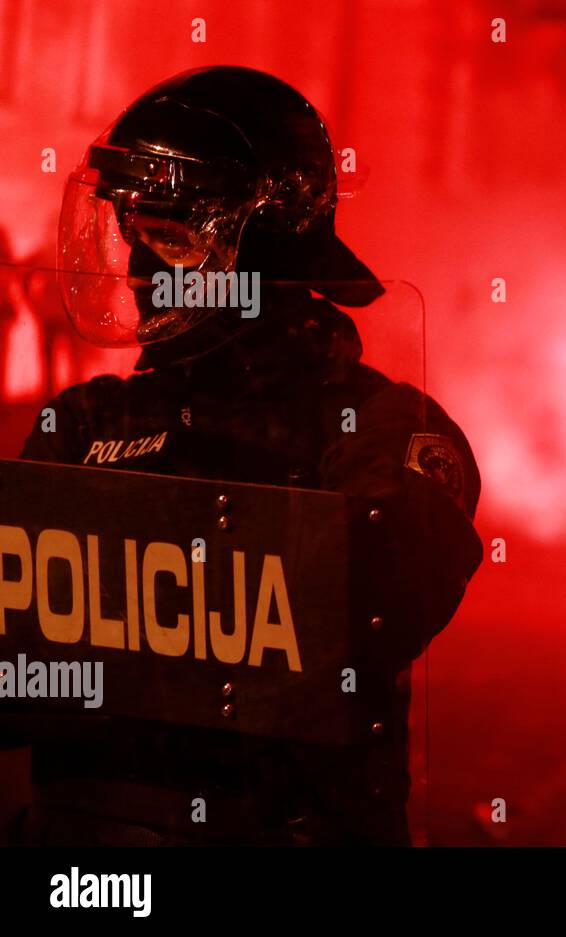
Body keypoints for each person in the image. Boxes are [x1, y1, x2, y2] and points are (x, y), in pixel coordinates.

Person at [7, 66, 482, 845]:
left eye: (168, 235)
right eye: (130, 230)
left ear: (259, 249)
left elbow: (365, 611)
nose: (137, 266)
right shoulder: (83, 424)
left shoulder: (381, 431)